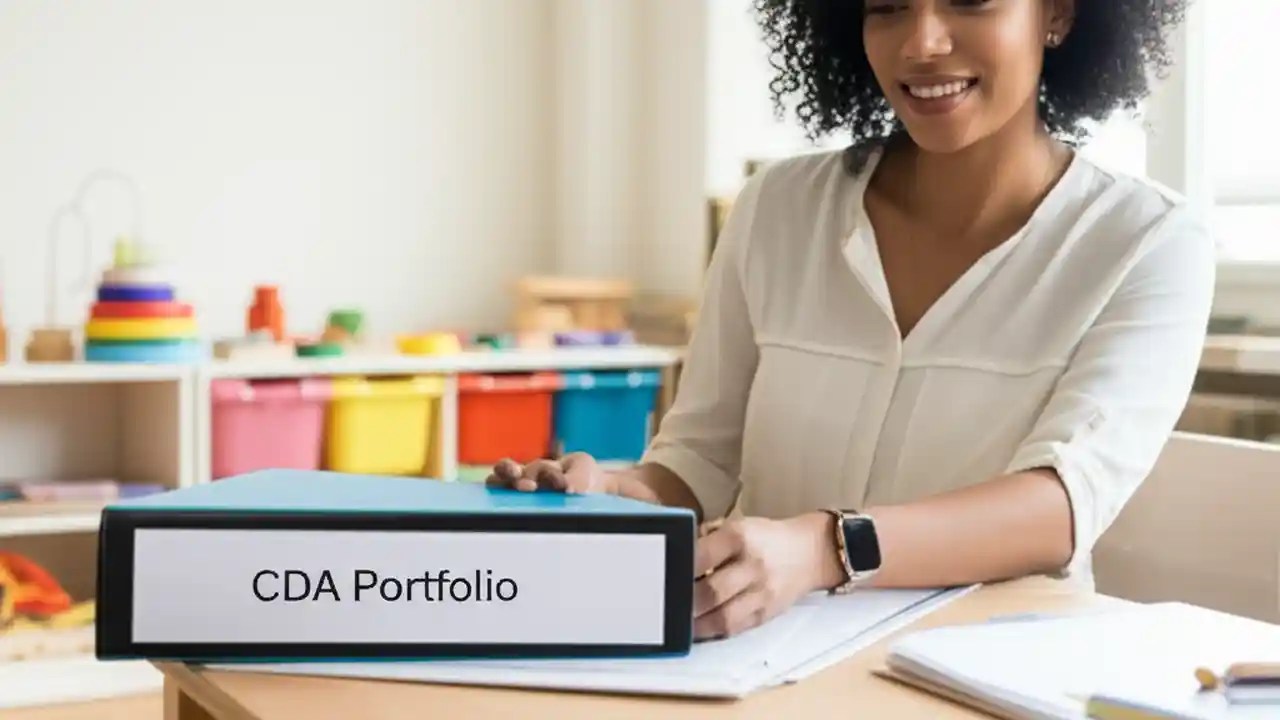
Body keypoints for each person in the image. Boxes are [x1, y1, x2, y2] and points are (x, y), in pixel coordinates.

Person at [490, 0, 1212, 641]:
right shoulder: (777, 207)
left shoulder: (1145, 241)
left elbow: (1060, 506)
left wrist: (825, 550)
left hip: (989, 663)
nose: (922, 41)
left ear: (1058, 13)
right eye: (886, 6)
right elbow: (698, 460)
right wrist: (614, 495)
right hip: (760, 664)